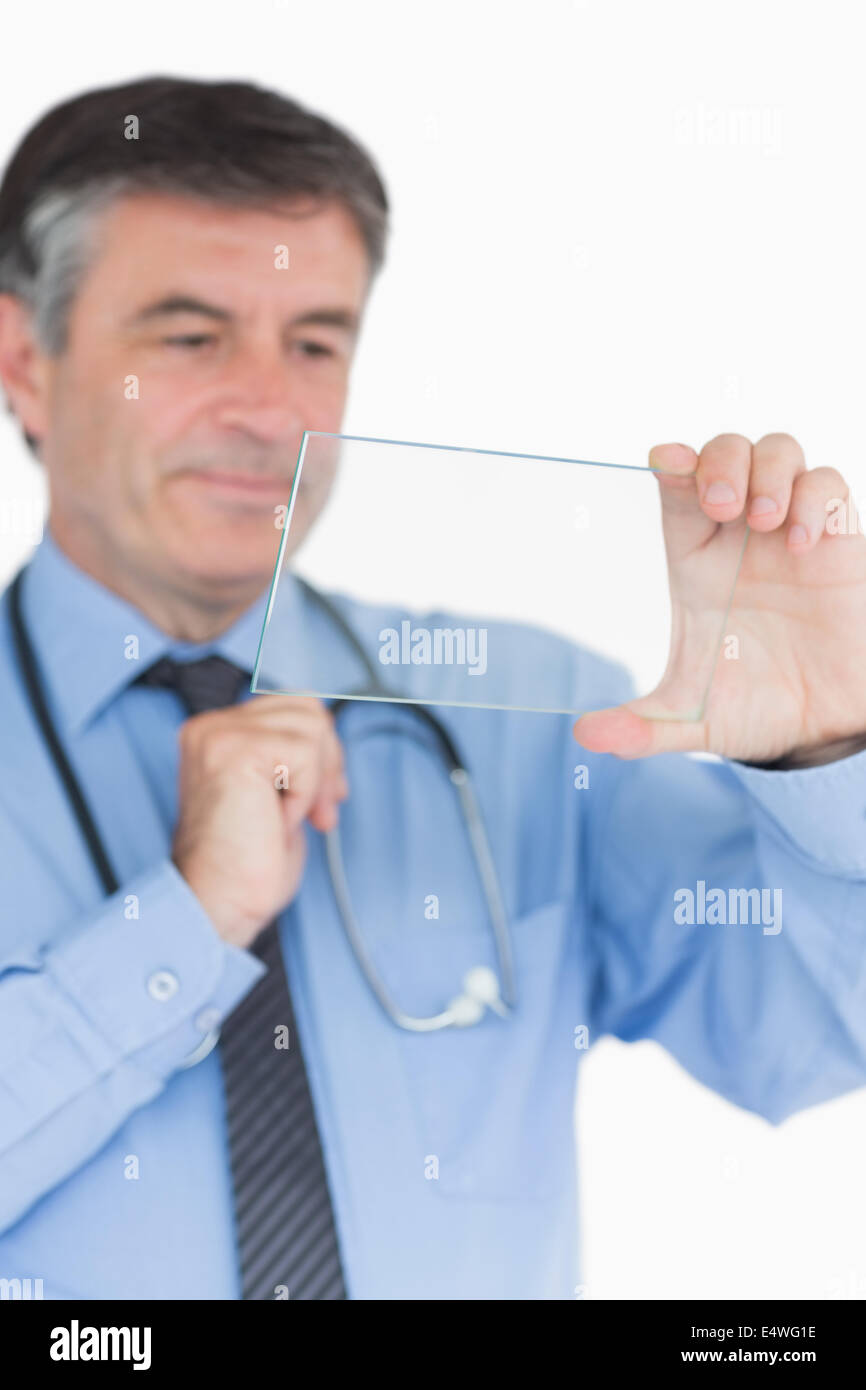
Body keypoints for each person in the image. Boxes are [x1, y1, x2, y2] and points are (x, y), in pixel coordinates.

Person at [1, 76, 865, 1303]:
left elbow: (805, 1041)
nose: (270, 410)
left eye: (315, 341)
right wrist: (183, 922)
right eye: (189, 337)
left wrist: (825, 758)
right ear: (26, 361)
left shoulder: (542, 712)